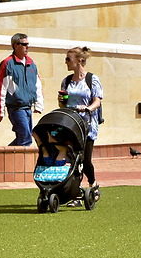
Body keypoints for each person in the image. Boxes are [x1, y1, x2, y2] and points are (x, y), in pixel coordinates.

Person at [58, 46, 104, 195]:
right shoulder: (66, 81)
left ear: (79, 61)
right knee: (72, 160)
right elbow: (62, 104)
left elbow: (97, 101)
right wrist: (61, 101)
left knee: (85, 159)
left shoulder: (92, 79)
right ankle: (74, 192)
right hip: (71, 124)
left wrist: (88, 108)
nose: (65, 62)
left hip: (87, 125)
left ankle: (93, 183)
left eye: (68, 59)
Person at [0, 32, 44, 146]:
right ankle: (16, 162)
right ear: (16, 45)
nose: (27, 47)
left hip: (27, 107)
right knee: (25, 138)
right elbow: (1, 87)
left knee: (23, 137)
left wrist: (39, 104)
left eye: (28, 44)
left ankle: (4, 157)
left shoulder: (31, 63)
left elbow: (37, 84)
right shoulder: (7, 63)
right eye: (24, 44)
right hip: (16, 108)